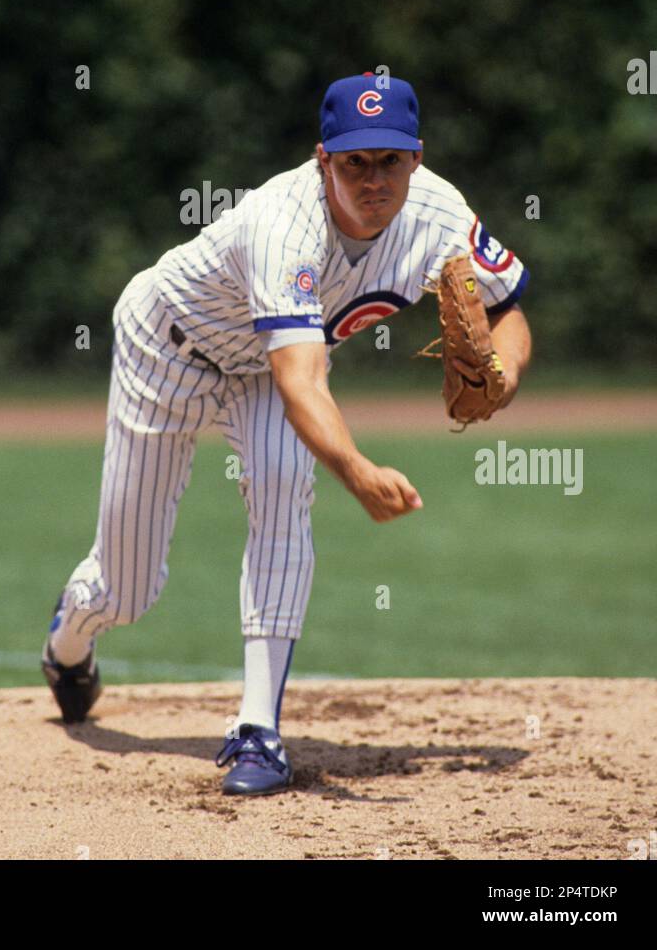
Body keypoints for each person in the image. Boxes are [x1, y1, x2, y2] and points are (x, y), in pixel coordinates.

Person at [41, 73, 532, 796]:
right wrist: (357, 470)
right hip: (168, 349)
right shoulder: (285, 223)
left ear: (417, 158)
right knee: (127, 589)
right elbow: (303, 382)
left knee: (281, 489)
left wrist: (507, 372)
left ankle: (256, 731)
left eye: (389, 160)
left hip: (270, 372)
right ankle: (68, 642)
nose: (373, 178)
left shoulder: (440, 213)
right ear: (322, 158)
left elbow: (511, 305)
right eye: (354, 161)